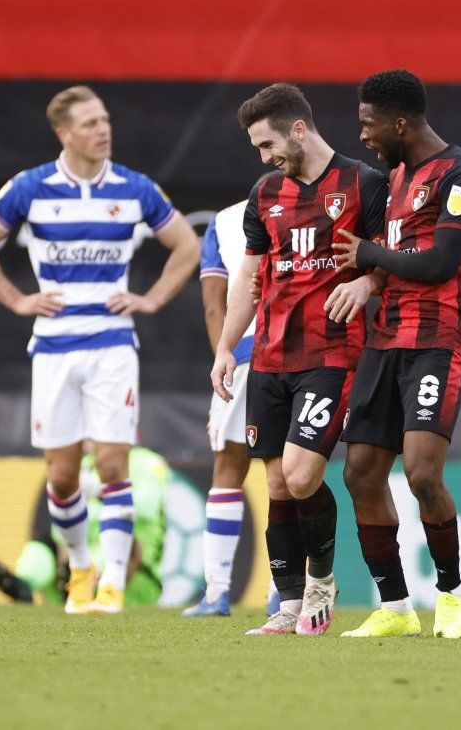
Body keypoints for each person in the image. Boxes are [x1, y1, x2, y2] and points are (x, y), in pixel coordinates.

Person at [0, 85, 199, 615]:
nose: (103, 130)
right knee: (63, 476)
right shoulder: (31, 187)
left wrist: (152, 298)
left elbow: (188, 245)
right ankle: (82, 567)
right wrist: (17, 300)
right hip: (54, 348)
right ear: (64, 134)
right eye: (90, 123)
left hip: (113, 346)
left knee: (113, 463)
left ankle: (112, 582)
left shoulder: (135, 188)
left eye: (105, 120)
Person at [210, 83, 388, 635]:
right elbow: (249, 278)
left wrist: (369, 284)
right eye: (257, 150)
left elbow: (397, 255)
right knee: (278, 485)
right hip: (268, 356)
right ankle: (287, 608)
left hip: (333, 354)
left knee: (302, 473)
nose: (264, 158)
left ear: (297, 128)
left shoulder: (364, 183)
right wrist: (224, 348)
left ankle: (322, 582)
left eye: (267, 144)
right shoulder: (266, 194)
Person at [329, 68, 461, 640]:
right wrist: (367, 276)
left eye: (369, 124)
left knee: (423, 473)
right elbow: (394, 258)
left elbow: (440, 263)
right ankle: (395, 607)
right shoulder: (395, 178)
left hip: (439, 340)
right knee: (360, 473)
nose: (364, 136)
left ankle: (450, 597)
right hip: (384, 341)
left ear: (400, 122)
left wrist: (371, 255)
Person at [0, 444, 172, 607]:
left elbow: (148, 506)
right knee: (47, 543)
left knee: (125, 544)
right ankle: (25, 585)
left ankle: (90, 585)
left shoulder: (149, 461)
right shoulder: (86, 464)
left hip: (137, 577)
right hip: (84, 554)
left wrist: (101, 491)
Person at [182, 201, 254, 617]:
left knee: (228, 470)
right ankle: (285, 594)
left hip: (242, 357)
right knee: (289, 475)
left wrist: (223, 358)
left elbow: (214, 304)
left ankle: (217, 592)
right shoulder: (317, 201)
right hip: (299, 358)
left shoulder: (223, 221)